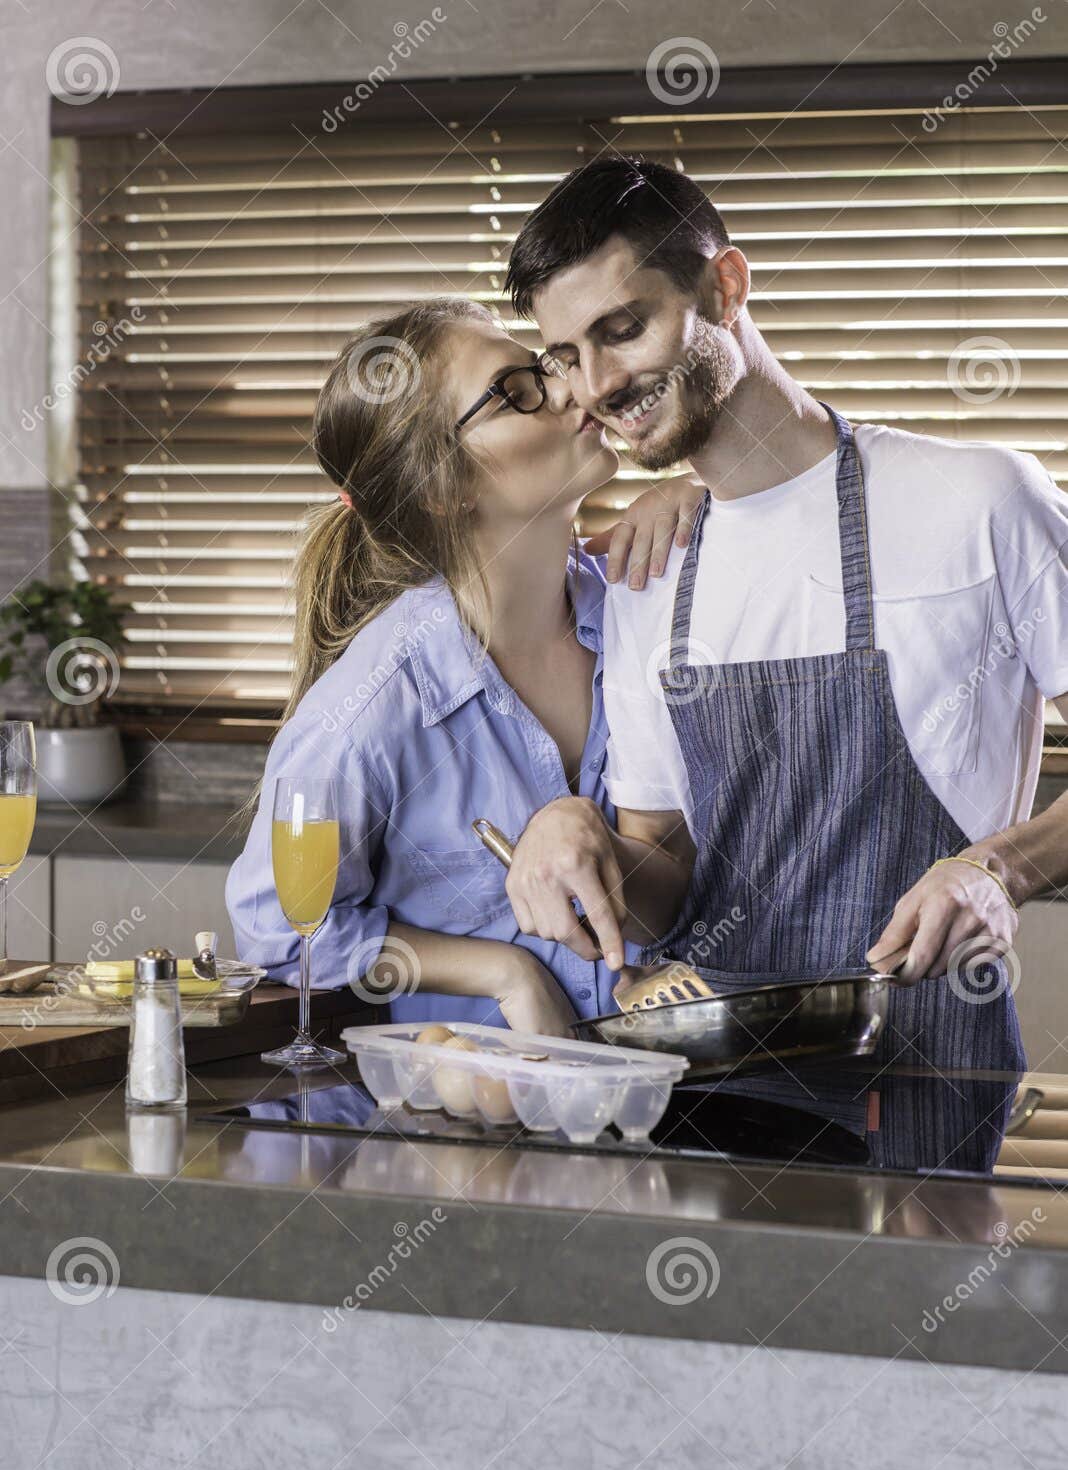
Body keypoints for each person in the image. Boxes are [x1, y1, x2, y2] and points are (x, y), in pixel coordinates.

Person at [500, 154, 1068, 1076]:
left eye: (624, 328)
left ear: (724, 287)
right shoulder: (652, 566)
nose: (597, 383)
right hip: (715, 1086)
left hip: (925, 1066)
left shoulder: (980, 501)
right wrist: (576, 837)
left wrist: (1001, 869)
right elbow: (665, 873)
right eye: (567, 356)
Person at [226, 297, 694, 1034]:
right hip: (469, 1128)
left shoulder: (644, 612)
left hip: (666, 1103)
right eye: (518, 391)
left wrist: (708, 498)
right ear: (444, 488)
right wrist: (504, 971)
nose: (574, 386)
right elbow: (282, 926)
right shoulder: (368, 709)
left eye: (544, 366)